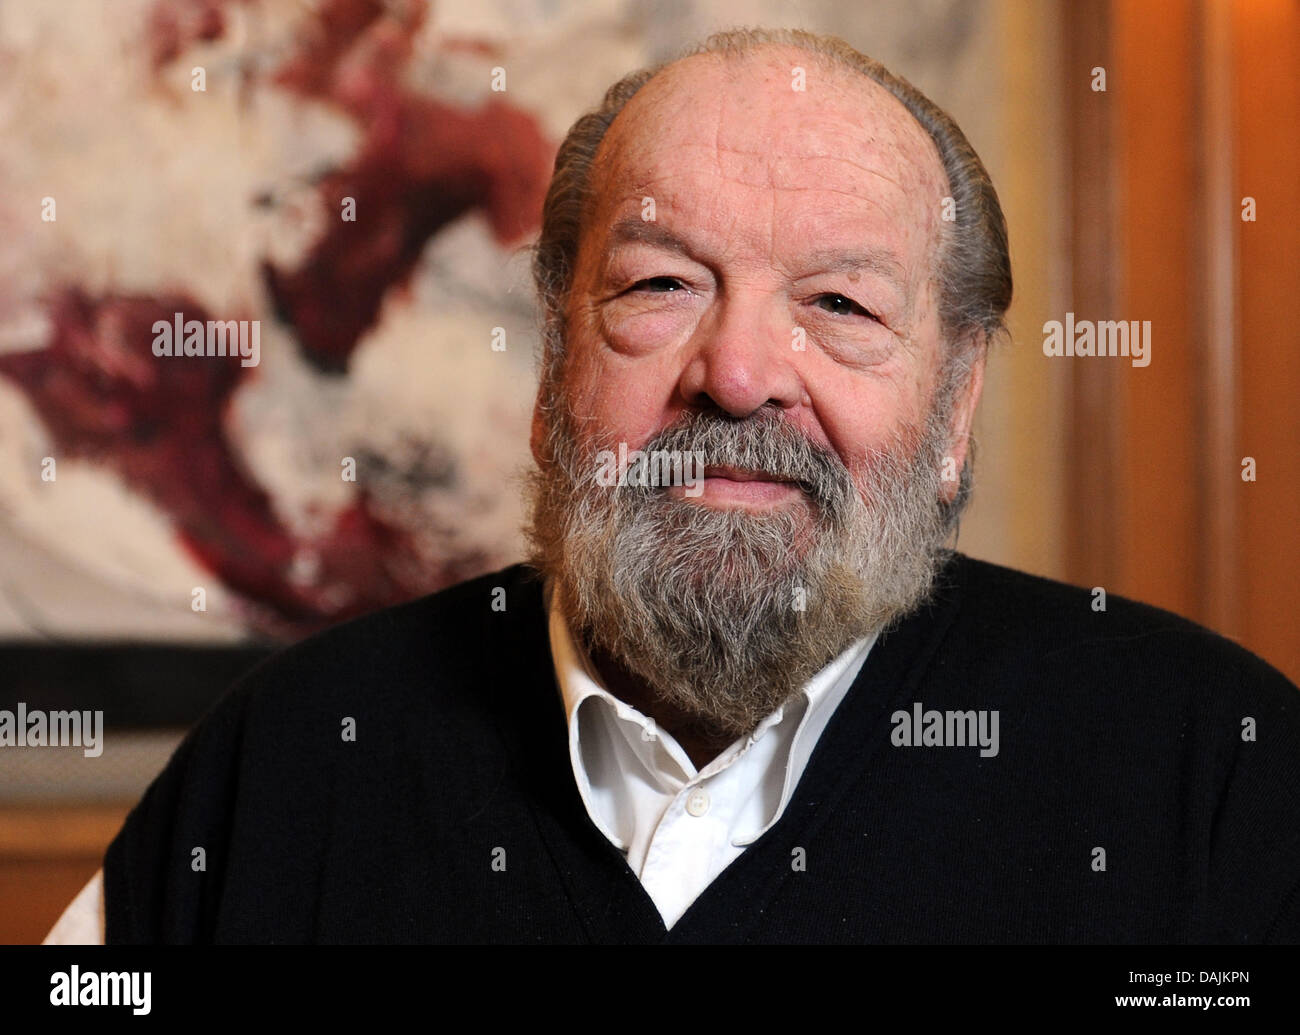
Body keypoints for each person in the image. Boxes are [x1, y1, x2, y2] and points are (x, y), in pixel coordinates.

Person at [47, 27, 1300, 944]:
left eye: (842, 304)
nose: (742, 373)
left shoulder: (1215, 781)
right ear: (553, 363)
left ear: (954, 401)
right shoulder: (286, 762)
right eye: (659, 286)